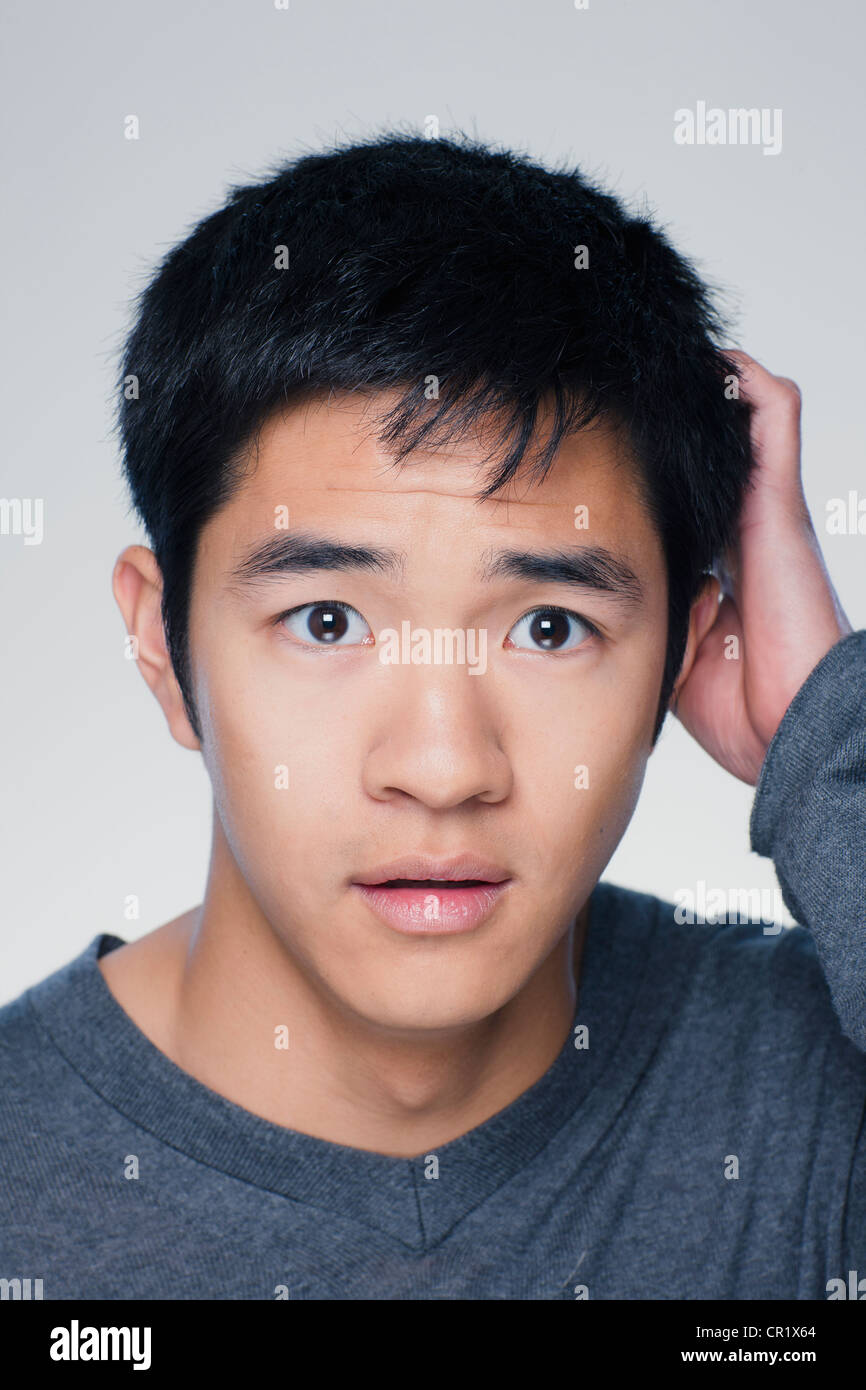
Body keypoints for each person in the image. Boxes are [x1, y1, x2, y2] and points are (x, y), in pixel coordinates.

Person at [1, 132, 863, 1300]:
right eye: (325, 621)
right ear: (161, 644)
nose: (443, 766)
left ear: (680, 654)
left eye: (547, 628)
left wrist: (825, 751)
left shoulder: (810, 1111)